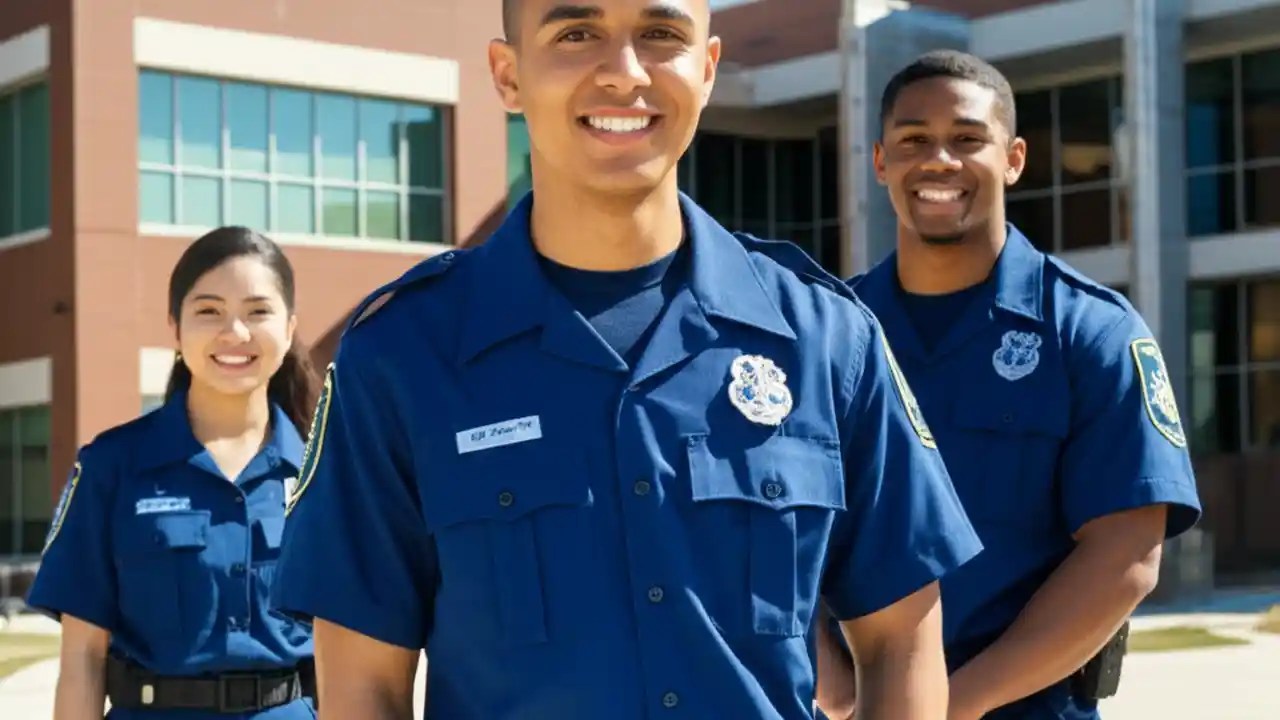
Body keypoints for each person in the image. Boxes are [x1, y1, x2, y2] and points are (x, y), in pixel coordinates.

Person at [270, 1, 983, 718]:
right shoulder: (402, 355)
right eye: (577, 34)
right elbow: (364, 684)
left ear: (706, 71)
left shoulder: (825, 337)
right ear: (508, 75)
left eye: (661, 35)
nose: (625, 72)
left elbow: (902, 642)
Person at [815, 50, 1203, 720]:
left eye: (968, 139)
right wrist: (842, 691)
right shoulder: (828, 334)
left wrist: (946, 707)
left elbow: (1126, 558)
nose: (939, 161)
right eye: (914, 141)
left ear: (1014, 158)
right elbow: (778, 529)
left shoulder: (1090, 330)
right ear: (880, 161)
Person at [27, 226, 321, 719]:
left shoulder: (324, 470)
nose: (235, 333)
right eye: (209, 311)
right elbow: (81, 659)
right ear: (175, 328)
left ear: (289, 329)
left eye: (257, 311)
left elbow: (358, 657)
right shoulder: (112, 466)